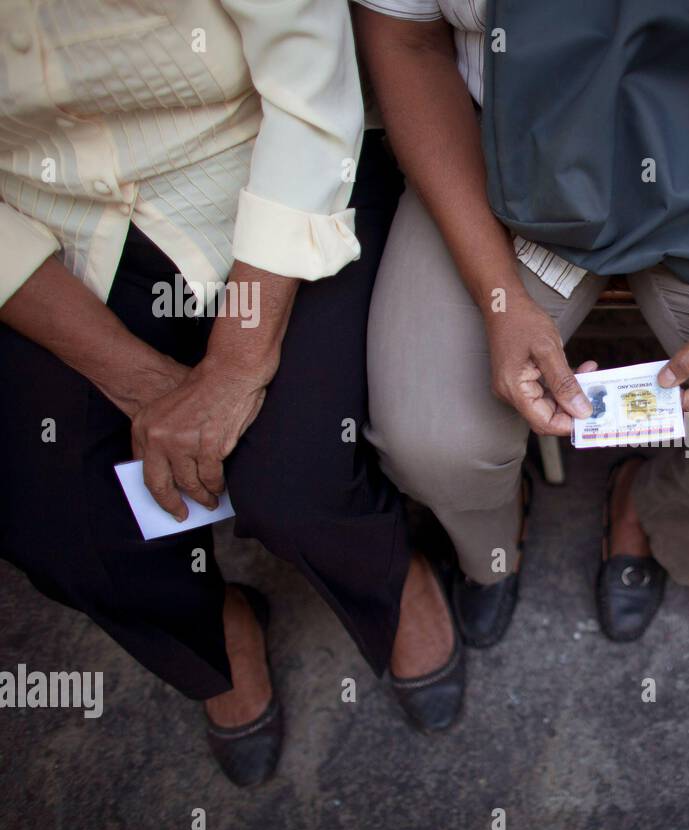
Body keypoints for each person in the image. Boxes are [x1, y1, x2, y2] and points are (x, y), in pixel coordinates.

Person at [0, 0, 459, 788]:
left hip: (267, 176)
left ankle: (394, 576)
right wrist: (138, 381)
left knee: (296, 485)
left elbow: (310, 96)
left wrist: (237, 365)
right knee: (57, 527)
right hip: (45, 230)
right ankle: (216, 626)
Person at [353, 0, 689, 646]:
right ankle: (491, 539)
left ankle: (649, 509)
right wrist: (499, 296)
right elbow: (407, 44)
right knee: (434, 442)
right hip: (513, 147)